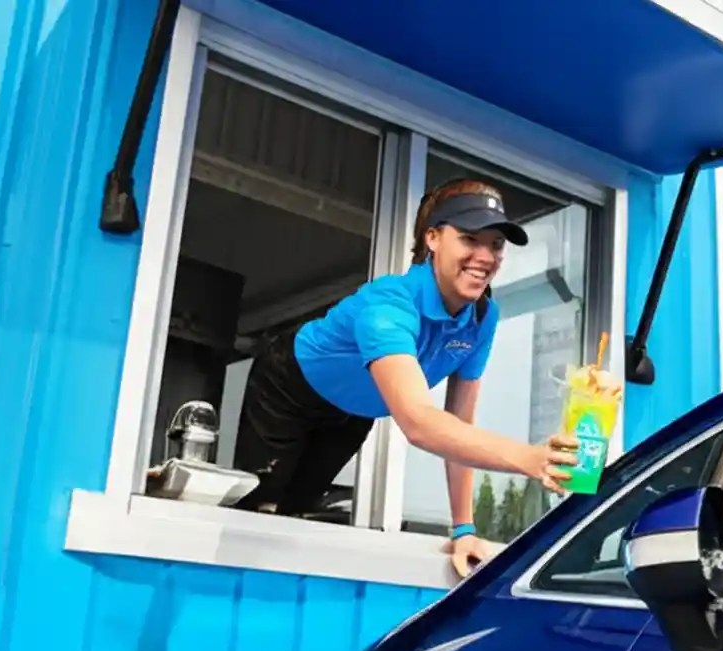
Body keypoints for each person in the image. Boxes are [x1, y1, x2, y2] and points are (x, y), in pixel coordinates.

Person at [232, 177, 579, 576]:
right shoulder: (389, 303)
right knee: (258, 508)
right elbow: (418, 423)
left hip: (353, 412)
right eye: (469, 239)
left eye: (496, 245)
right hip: (287, 389)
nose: (485, 257)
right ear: (433, 238)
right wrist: (529, 459)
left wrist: (464, 529)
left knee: (296, 513)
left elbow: (458, 426)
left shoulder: (483, 316)